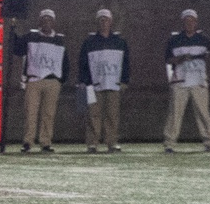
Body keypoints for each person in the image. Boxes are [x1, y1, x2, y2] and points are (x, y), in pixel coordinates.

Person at [164, 8, 210, 153]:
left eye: (192, 21)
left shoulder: (204, 40)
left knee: (203, 113)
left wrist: (207, 58)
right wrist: (181, 59)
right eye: (187, 21)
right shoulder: (174, 40)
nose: (189, 24)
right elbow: (168, 60)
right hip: (180, 82)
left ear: (196, 22)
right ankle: (169, 143)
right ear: (183, 22)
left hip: (199, 81)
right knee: (175, 114)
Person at [12, 9, 67, 152]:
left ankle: (45, 141)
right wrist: (13, 34)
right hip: (34, 79)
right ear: (40, 22)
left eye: (49, 20)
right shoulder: (31, 36)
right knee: (31, 112)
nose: (47, 22)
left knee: (48, 113)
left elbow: (64, 61)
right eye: (44, 19)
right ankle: (28, 141)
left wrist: (60, 80)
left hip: (52, 80)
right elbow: (18, 50)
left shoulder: (59, 40)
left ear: (53, 22)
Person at [79, 8, 130, 153]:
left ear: (111, 22)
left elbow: (126, 62)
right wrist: (84, 81)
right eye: (101, 20)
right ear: (97, 22)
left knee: (112, 114)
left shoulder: (120, 42)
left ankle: (111, 142)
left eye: (106, 20)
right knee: (92, 114)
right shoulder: (89, 42)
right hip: (93, 84)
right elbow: (82, 63)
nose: (104, 23)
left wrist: (124, 80)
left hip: (113, 84)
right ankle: (92, 143)